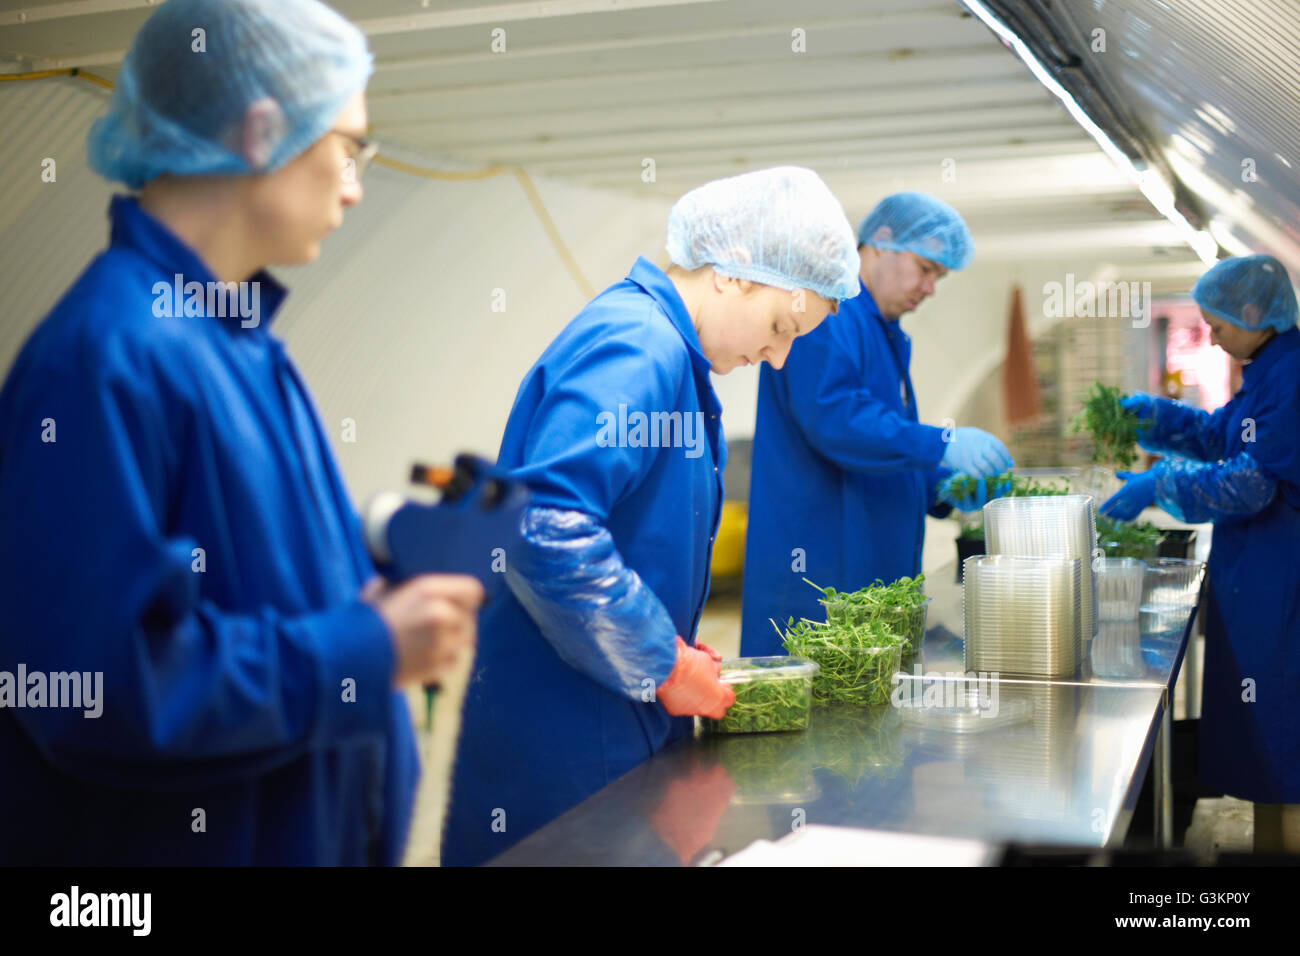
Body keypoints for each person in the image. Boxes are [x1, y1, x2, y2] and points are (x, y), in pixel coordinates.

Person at [0, 0, 482, 865]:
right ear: (263, 131)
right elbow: (93, 688)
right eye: (350, 147)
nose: (355, 184)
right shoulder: (106, 358)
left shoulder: (244, 345)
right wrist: (366, 647)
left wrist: (374, 602)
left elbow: (248, 594)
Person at [441, 166, 860, 866]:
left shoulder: (672, 358)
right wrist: (662, 661)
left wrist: (672, 655)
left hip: (610, 713)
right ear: (732, 274)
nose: (779, 358)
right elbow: (548, 526)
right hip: (567, 735)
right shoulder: (638, 347)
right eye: (783, 326)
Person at [741, 192, 1013, 653]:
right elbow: (837, 420)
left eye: (939, 277)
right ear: (880, 243)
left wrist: (942, 486)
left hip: (873, 577)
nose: (930, 288)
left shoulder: (883, 331)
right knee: (819, 713)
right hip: (821, 577)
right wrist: (940, 442)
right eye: (926, 269)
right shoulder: (828, 313)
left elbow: (887, 443)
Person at [1101, 254, 1300, 851]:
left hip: (1284, 587)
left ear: (1252, 312)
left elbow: (1249, 482)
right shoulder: (1267, 367)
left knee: (1287, 754)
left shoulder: (1292, 376)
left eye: (1218, 324)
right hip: (1261, 581)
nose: (1211, 336)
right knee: (1270, 761)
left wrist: (1159, 486)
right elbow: (1223, 434)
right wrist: (1157, 418)